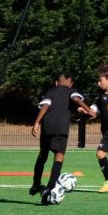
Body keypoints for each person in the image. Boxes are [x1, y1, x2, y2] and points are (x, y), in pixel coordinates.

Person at [30, 72, 82, 203]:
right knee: (59, 156)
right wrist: (88, 109)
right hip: (61, 128)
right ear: (71, 84)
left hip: (47, 127)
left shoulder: (51, 92)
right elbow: (76, 99)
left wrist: (37, 122)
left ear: (56, 82)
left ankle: (36, 184)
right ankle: (50, 188)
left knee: (43, 155)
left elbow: (45, 105)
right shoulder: (71, 91)